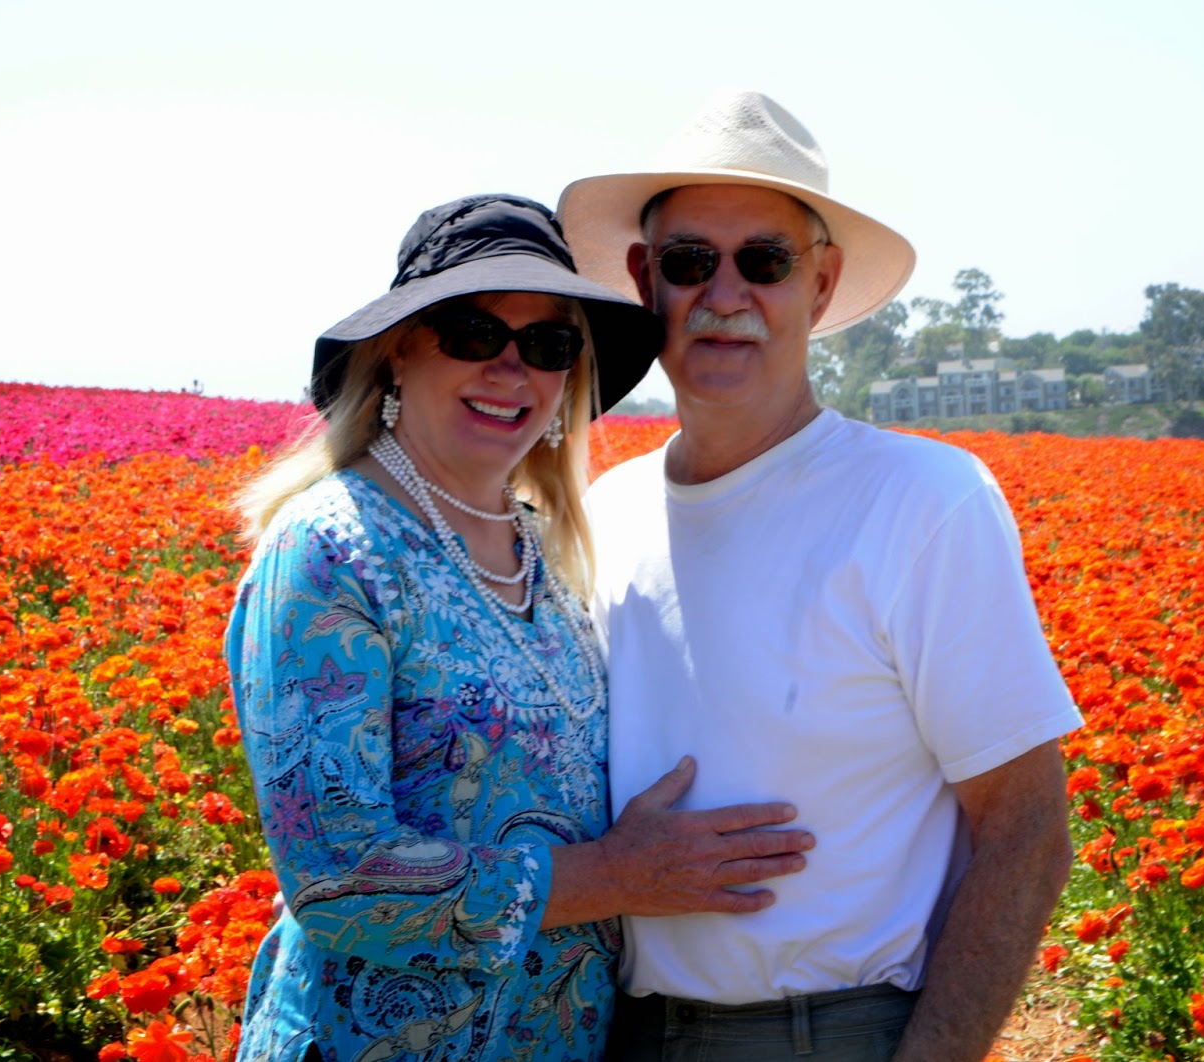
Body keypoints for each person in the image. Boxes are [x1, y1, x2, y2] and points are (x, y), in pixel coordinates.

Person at [225, 194, 815, 1062]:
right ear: (397, 351)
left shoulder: (544, 552)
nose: (512, 369)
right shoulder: (333, 548)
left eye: (548, 345)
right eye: (473, 333)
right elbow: (339, 881)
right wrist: (616, 877)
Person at [557, 91, 1083, 1062]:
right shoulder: (600, 514)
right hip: (621, 1033)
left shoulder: (921, 500)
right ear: (642, 280)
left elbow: (1025, 830)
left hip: (834, 1034)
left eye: (763, 261)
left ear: (822, 284)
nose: (724, 296)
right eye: (687, 263)